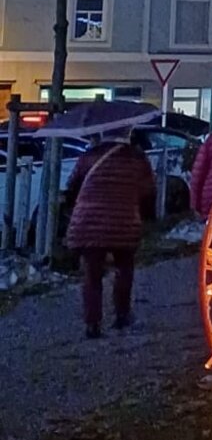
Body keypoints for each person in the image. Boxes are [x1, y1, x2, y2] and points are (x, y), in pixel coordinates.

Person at [65, 129, 156, 337]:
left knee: (92, 274)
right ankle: (122, 315)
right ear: (128, 133)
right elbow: (148, 190)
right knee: (124, 269)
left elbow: (72, 186)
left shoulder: (88, 157)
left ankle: (92, 324)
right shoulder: (137, 158)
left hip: (89, 222)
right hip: (124, 221)